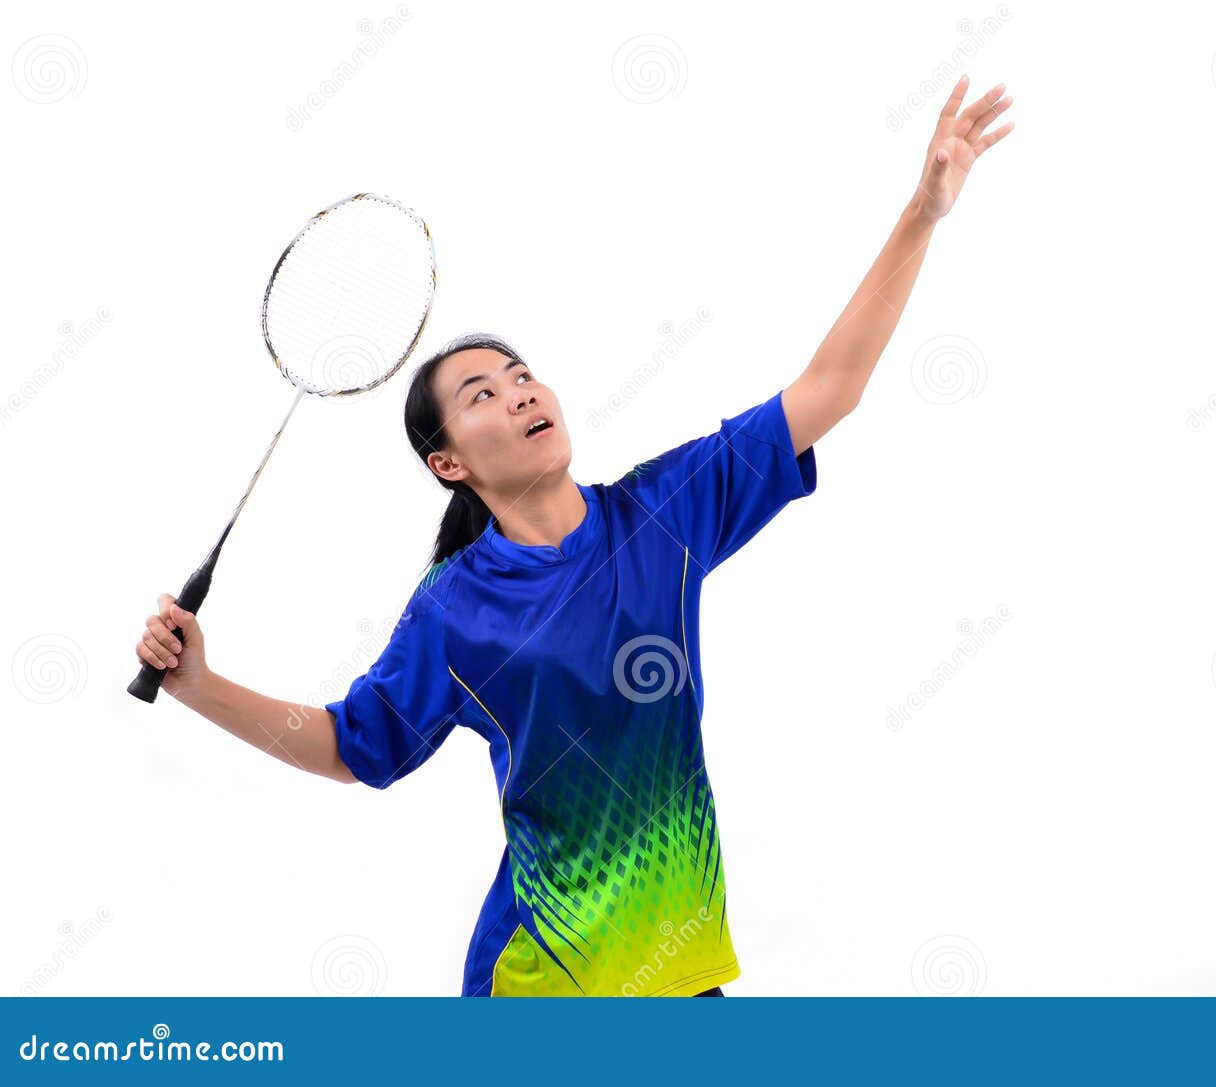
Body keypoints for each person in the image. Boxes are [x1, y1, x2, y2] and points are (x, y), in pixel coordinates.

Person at [132, 75, 1014, 996]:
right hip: (541, 990)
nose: (517, 392)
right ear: (448, 464)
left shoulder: (662, 516)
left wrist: (922, 212)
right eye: (481, 395)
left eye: (520, 376)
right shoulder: (454, 612)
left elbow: (829, 389)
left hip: (680, 978)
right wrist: (194, 683)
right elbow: (353, 747)